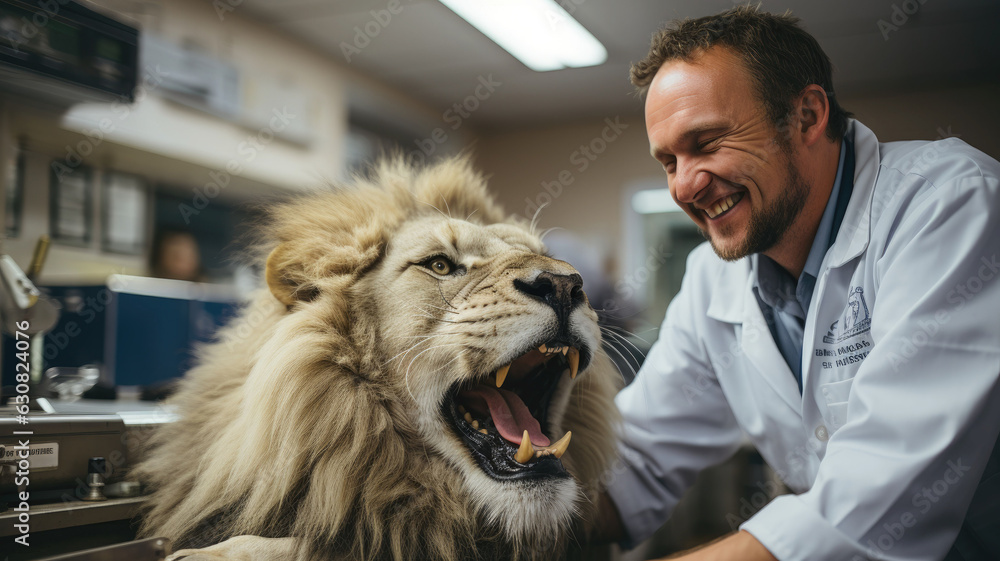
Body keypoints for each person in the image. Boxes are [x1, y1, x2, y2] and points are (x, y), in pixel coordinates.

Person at [596, 6, 1000, 561]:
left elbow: (871, 506)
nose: (685, 185)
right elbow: (633, 464)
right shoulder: (713, 281)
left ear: (807, 116)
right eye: (668, 161)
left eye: (708, 141)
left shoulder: (946, 206)